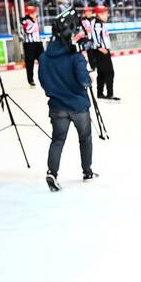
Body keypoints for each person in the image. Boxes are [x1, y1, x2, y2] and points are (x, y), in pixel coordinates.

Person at [39, 10, 97, 192]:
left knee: (57, 140)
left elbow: (42, 81)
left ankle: (52, 172)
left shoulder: (44, 57)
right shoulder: (76, 57)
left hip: (57, 106)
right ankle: (87, 171)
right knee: (85, 138)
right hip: (78, 106)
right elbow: (84, 81)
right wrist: (89, 79)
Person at [92, 6, 118, 100]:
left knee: (102, 72)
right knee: (109, 72)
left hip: (102, 50)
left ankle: (101, 93)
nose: (107, 15)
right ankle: (109, 93)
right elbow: (94, 35)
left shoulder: (100, 23)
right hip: (102, 51)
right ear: (99, 14)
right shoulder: (98, 24)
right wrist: (99, 47)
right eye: (106, 13)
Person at [19, 5, 43, 87]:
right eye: (33, 12)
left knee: (43, 60)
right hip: (29, 44)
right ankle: (31, 80)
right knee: (30, 63)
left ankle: (45, 77)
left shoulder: (34, 19)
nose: (35, 13)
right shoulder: (25, 20)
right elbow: (28, 30)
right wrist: (34, 20)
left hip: (38, 42)